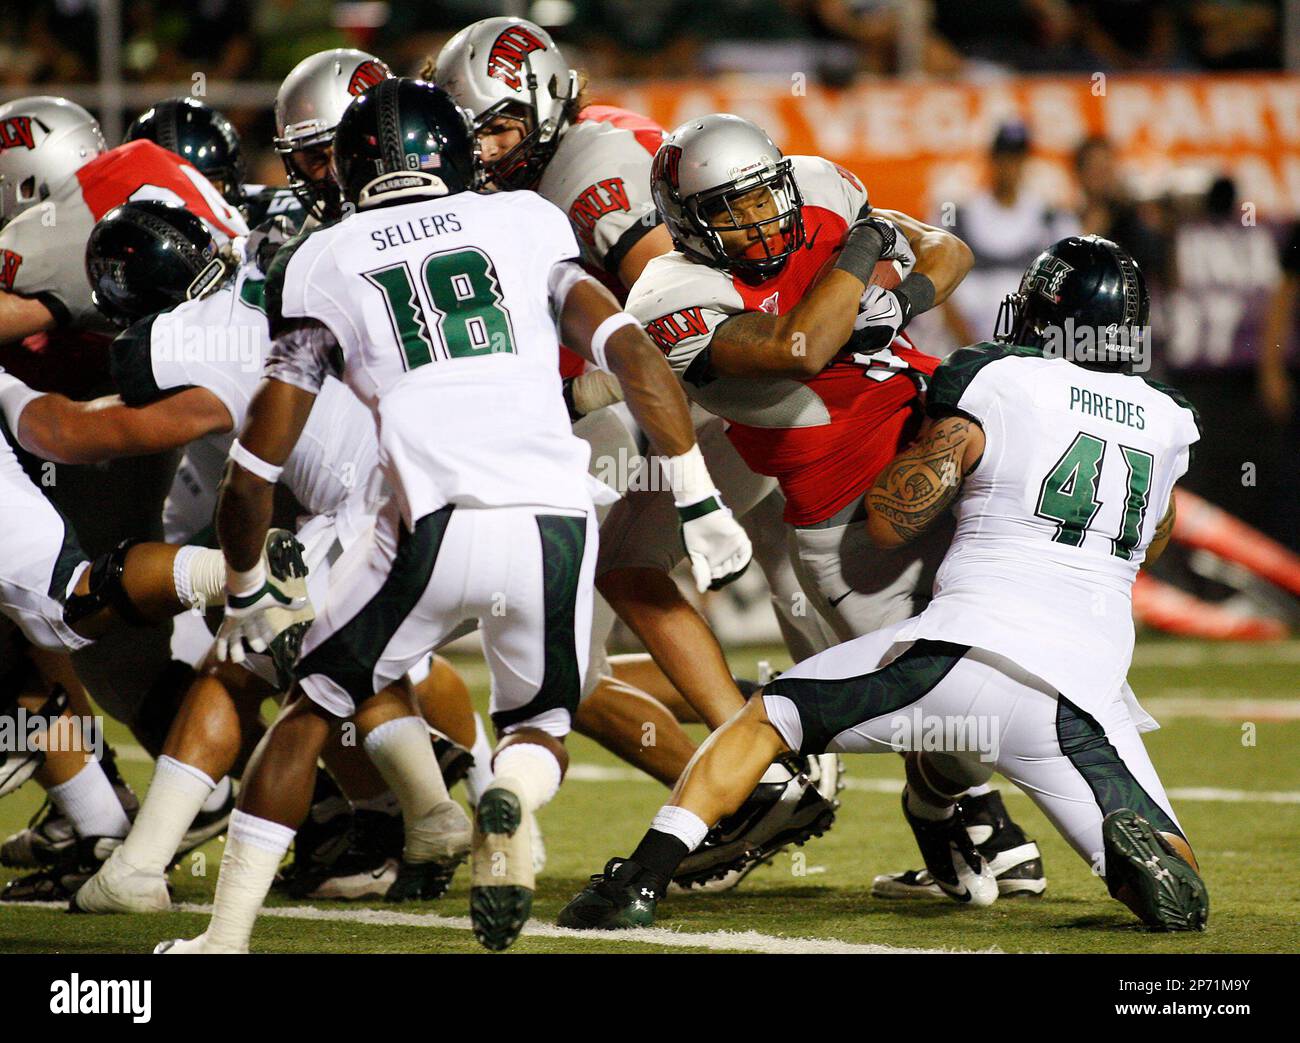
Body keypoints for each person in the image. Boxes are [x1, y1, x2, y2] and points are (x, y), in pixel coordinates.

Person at [155, 78, 751, 954]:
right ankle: (505, 790)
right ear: (461, 154)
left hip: (427, 518)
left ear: (350, 168)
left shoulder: (320, 260)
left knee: (312, 708)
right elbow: (631, 350)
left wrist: (246, 586)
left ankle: (226, 938)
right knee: (543, 727)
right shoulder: (524, 220)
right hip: (554, 513)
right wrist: (696, 493)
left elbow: (253, 469)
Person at [558, 236, 1209, 934]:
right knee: (1179, 880)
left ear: (1046, 313)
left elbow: (893, 519)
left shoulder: (1000, 378)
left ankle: (640, 879)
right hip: (1086, 694)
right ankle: (1089, 854)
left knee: (767, 719)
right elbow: (1156, 532)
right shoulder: (1169, 417)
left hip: (966, 653)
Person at [624, 112, 1046, 894]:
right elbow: (799, 346)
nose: (756, 221)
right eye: (728, 210)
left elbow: (947, 249)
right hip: (837, 517)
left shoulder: (820, 189)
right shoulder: (671, 294)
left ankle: (996, 826)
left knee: (1004, 661)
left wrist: (907, 292)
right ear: (685, 224)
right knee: (938, 710)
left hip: (926, 439)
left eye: (762, 198)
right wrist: (862, 261)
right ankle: (959, 817)